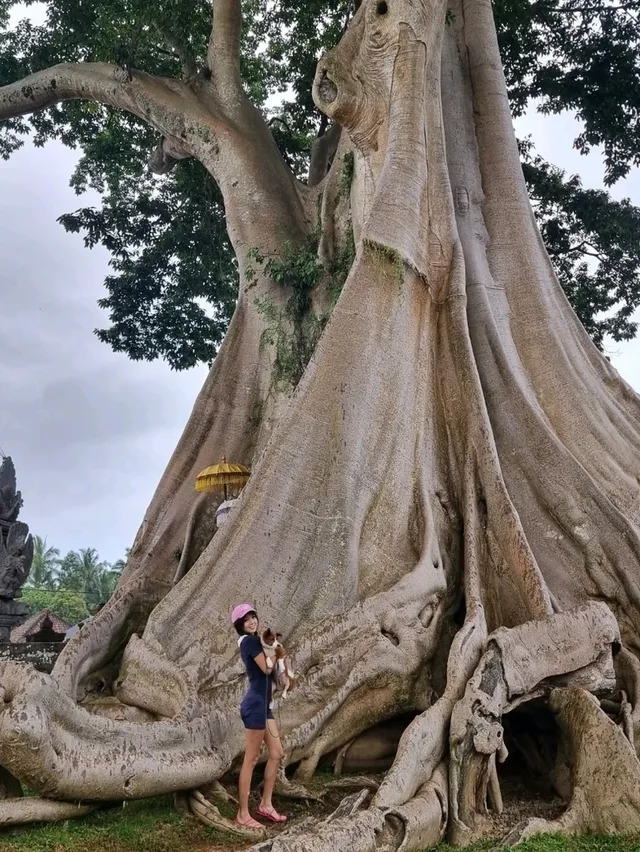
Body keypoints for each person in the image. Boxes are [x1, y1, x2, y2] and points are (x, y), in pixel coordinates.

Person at [232, 603, 287, 831]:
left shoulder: (257, 643)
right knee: (251, 759)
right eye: (246, 619)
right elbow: (265, 669)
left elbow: (273, 673)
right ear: (240, 625)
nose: (251, 621)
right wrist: (276, 653)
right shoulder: (250, 642)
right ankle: (242, 814)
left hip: (264, 707)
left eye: (253, 617)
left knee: (277, 753)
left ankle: (266, 804)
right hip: (254, 706)